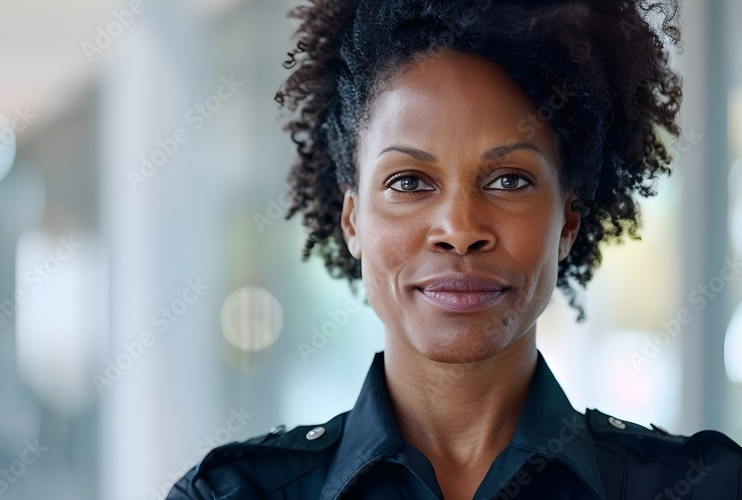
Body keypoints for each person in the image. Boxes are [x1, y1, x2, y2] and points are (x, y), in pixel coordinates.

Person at [169, 0, 742, 498]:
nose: (459, 228)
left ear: (567, 223)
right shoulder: (231, 493)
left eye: (510, 180)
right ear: (353, 222)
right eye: (409, 182)